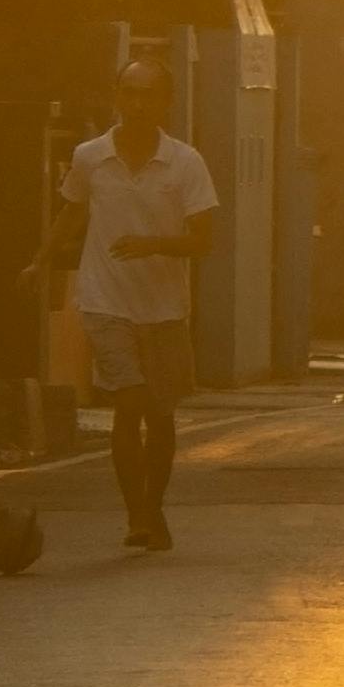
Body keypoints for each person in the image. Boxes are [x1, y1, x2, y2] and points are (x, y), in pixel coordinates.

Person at [53, 51, 217, 556]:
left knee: (161, 414)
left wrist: (153, 244)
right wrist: (39, 260)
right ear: (117, 97)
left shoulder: (186, 162)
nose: (138, 103)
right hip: (105, 301)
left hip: (164, 308)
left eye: (149, 94)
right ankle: (137, 515)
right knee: (130, 403)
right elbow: (72, 213)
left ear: (165, 102)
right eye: (129, 92)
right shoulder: (89, 157)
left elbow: (203, 240)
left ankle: (154, 505)